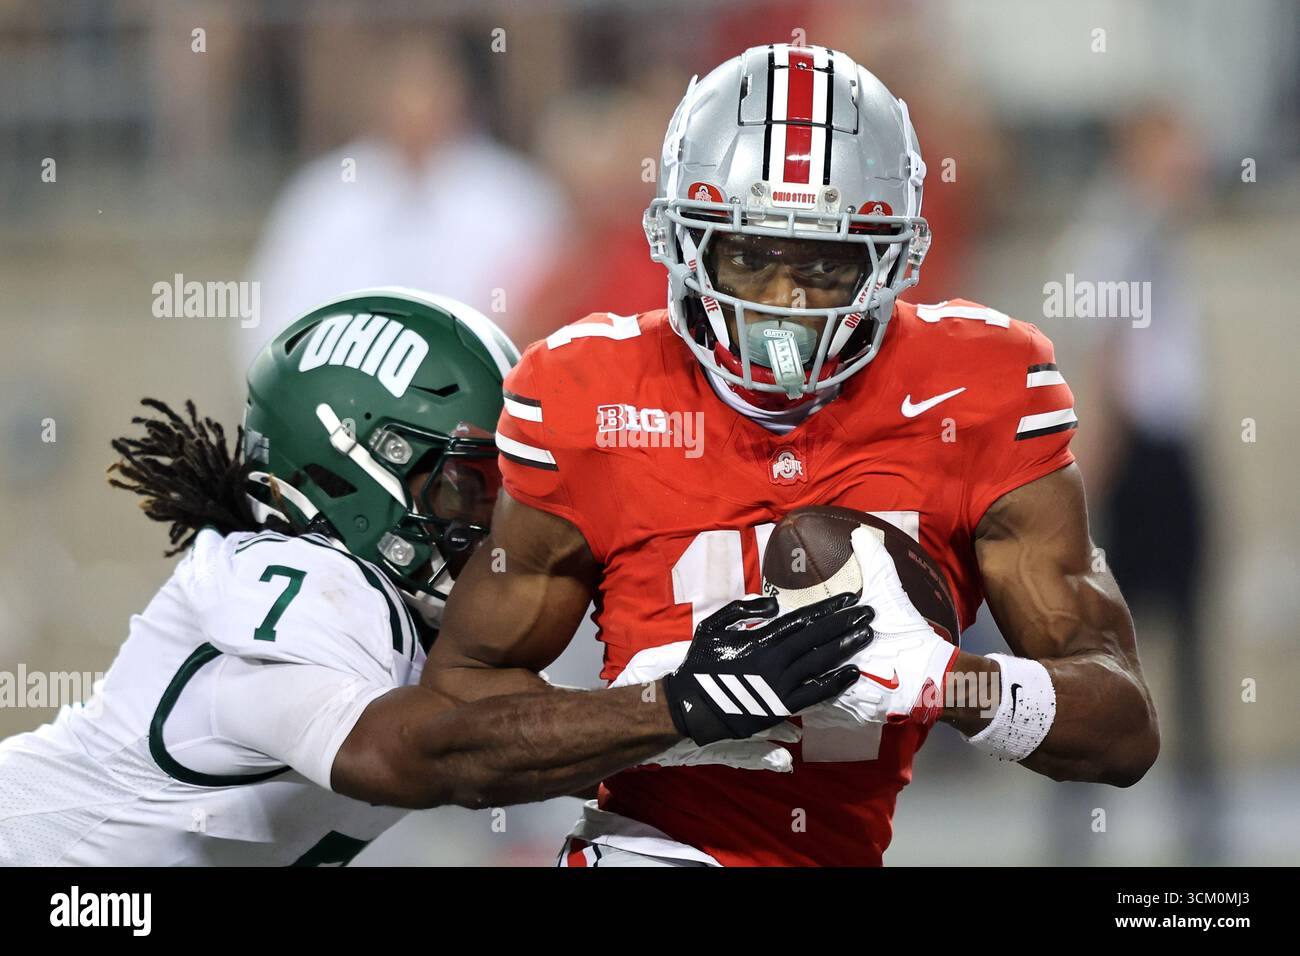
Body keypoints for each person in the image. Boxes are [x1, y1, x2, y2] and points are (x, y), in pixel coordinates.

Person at [424, 44, 1160, 867]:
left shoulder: (979, 389)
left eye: (823, 264)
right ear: (683, 240)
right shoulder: (588, 393)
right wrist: (662, 713)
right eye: (750, 255)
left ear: (892, 257)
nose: (781, 302)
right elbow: (454, 727)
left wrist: (952, 683)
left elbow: (1124, 729)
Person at [0, 287, 869, 865]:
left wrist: (703, 710)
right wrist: (680, 704)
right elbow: (420, 754)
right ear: (348, 464)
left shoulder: (397, 616)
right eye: (470, 483)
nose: (495, 521)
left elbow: (527, 739)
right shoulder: (292, 577)